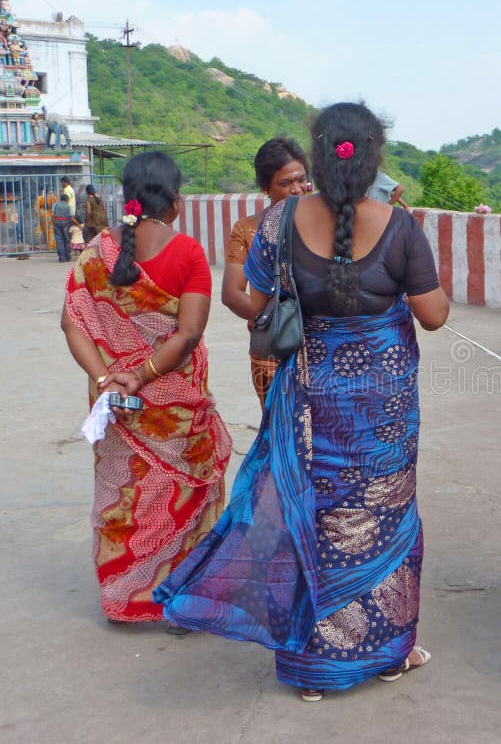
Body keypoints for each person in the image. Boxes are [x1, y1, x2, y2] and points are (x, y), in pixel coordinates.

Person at [154, 102, 449, 701]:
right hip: (383, 406)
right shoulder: (399, 225)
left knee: (312, 517)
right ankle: (388, 654)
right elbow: (435, 315)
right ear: (374, 156)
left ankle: (314, 667)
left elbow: (254, 300)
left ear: (316, 156)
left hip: (310, 394)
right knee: (383, 522)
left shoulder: (279, 220)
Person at [61, 151, 232, 626]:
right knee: (183, 497)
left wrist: (105, 380)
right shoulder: (187, 252)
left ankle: (127, 599)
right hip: (172, 403)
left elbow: (71, 323)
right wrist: (142, 376)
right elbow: (188, 334)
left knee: (125, 496)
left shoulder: (97, 251)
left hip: (114, 403)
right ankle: (185, 597)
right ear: (175, 200)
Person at [221, 137, 308, 407]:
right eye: (285, 183)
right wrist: (281, 321)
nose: (296, 190)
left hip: (321, 349)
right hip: (271, 351)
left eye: (301, 180)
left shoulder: (323, 223)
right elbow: (232, 293)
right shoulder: (247, 228)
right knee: (277, 432)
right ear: (265, 188)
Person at [52, 192, 78, 262]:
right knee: (67, 240)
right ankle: (67, 256)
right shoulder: (68, 206)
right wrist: (78, 225)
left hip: (57, 222)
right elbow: (71, 217)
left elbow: (53, 215)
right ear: (67, 199)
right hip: (66, 223)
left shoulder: (55, 205)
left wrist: (53, 222)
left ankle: (61, 257)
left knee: (59, 240)